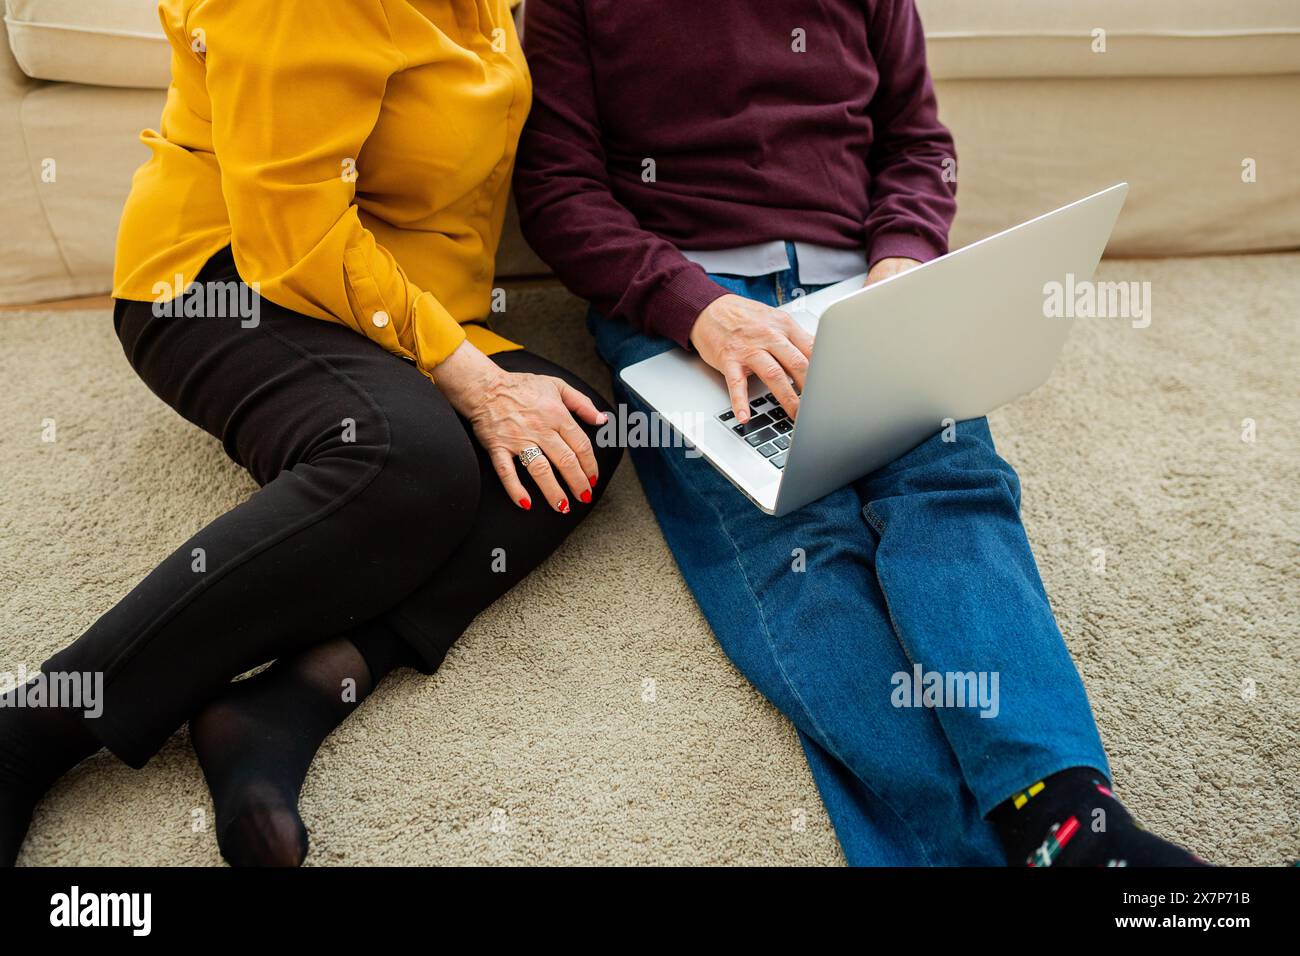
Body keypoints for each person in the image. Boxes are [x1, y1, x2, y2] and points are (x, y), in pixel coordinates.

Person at [514, 0, 1206, 866]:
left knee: (955, 491)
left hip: (866, 287)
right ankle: (1013, 850)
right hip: (686, 312)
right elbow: (558, 191)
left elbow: (918, 144)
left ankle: (1068, 819)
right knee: (800, 547)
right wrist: (699, 312)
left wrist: (904, 266)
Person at [0, 0, 620, 867]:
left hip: (390, 285)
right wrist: (469, 378)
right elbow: (290, 235)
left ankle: (283, 707)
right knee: (412, 460)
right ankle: (38, 726)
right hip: (224, 279)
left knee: (577, 434)